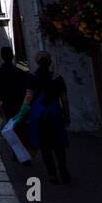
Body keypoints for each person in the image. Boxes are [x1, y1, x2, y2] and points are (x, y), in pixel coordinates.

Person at [17, 52, 71, 184]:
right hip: (55, 113)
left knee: (45, 146)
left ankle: (52, 174)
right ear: (50, 62)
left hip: (38, 114)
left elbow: (28, 97)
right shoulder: (57, 78)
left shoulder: (32, 77)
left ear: (37, 62)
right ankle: (63, 167)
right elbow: (64, 99)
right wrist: (67, 114)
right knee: (58, 143)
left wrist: (22, 112)